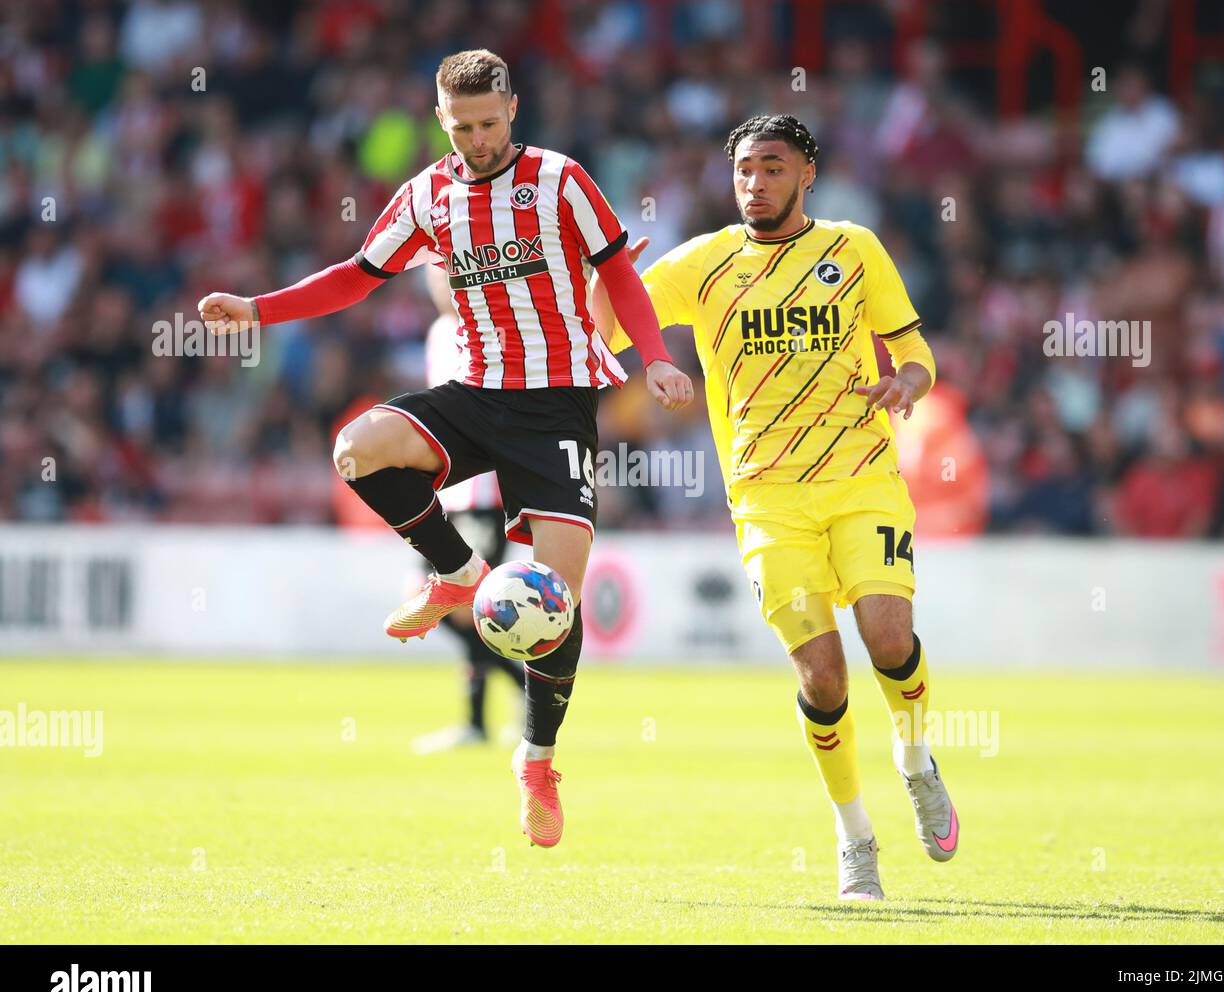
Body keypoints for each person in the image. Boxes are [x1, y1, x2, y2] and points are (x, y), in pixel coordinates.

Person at [198, 49, 693, 848]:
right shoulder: (428, 194)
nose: (477, 139)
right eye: (461, 126)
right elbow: (357, 277)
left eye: (490, 123)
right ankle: (459, 574)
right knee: (357, 448)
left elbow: (620, 274)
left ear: (514, 109)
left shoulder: (562, 180)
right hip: (474, 393)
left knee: (553, 612)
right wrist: (260, 309)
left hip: (557, 406)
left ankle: (536, 762)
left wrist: (655, 355)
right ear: (440, 120)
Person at [592, 114, 957, 900]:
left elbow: (917, 353)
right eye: (745, 170)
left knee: (889, 635)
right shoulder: (706, 263)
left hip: (862, 477)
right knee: (823, 680)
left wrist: (909, 383)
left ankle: (918, 761)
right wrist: (606, 275)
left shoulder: (854, 249)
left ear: (807, 175)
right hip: (766, 499)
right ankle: (855, 835)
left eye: (773, 168)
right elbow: (607, 328)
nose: (756, 183)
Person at [411, 262, 525, 754]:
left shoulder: (487, 330)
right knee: (436, 604)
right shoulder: (438, 333)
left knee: (464, 605)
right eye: (434, 277)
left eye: (447, 275)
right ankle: (486, 715)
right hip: (446, 497)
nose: (441, 285)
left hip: (483, 496)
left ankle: (518, 696)